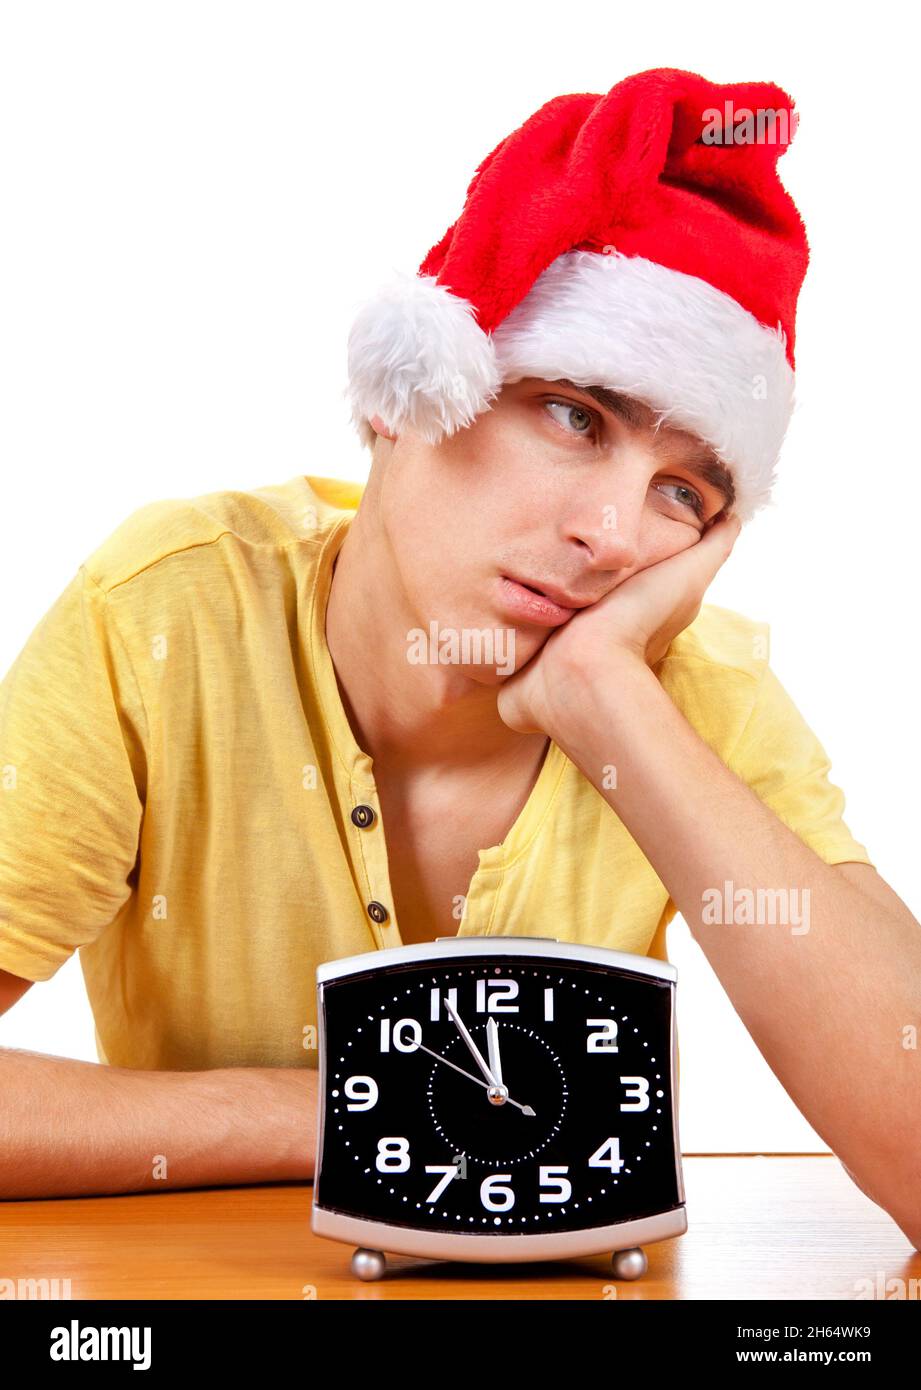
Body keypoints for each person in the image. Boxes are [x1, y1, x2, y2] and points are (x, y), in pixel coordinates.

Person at [0, 67, 918, 1249]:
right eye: (576, 415)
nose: (613, 536)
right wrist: (342, 1108)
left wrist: (608, 703)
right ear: (407, 399)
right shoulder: (168, 613)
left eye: (682, 493)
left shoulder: (689, 694)